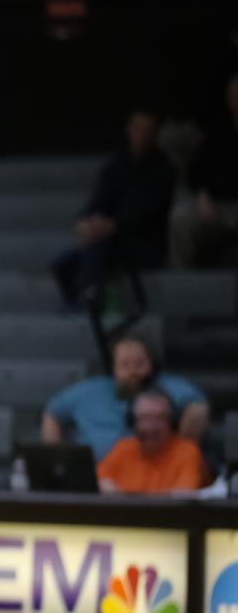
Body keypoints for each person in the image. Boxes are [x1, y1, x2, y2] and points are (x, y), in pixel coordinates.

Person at [51, 108, 177, 309]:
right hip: (110, 239)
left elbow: (144, 212)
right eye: (137, 128)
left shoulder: (163, 169)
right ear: (129, 130)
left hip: (144, 244)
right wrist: (86, 222)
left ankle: (89, 303)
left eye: (147, 130)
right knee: (62, 265)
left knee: (100, 246)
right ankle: (77, 304)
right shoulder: (116, 165)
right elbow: (98, 201)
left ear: (155, 135)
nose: (141, 134)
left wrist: (112, 225)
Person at [41, 333, 208, 462]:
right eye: (124, 365)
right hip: (94, 475)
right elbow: (52, 413)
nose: (132, 372)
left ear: (151, 364)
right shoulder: (89, 390)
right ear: (113, 368)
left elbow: (197, 407)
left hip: (147, 474)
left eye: (139, 364)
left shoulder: (165, 387)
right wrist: (58, 461)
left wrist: (178, 457)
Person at [170, 73, 238, 268]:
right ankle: (181, 280)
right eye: (233, 97)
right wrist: (203, 195)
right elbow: (196, 171)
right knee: (180, 219)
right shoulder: (219, 133)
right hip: (217, 207)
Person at [96, 389, 208, 495]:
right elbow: (99, 480)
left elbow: (183, 497)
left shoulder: (187, 452)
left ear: (172, 422)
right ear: (133, 422)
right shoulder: (124, 448)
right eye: (145, 418)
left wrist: (122, 497)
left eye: (160, 418)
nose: (151, 427)